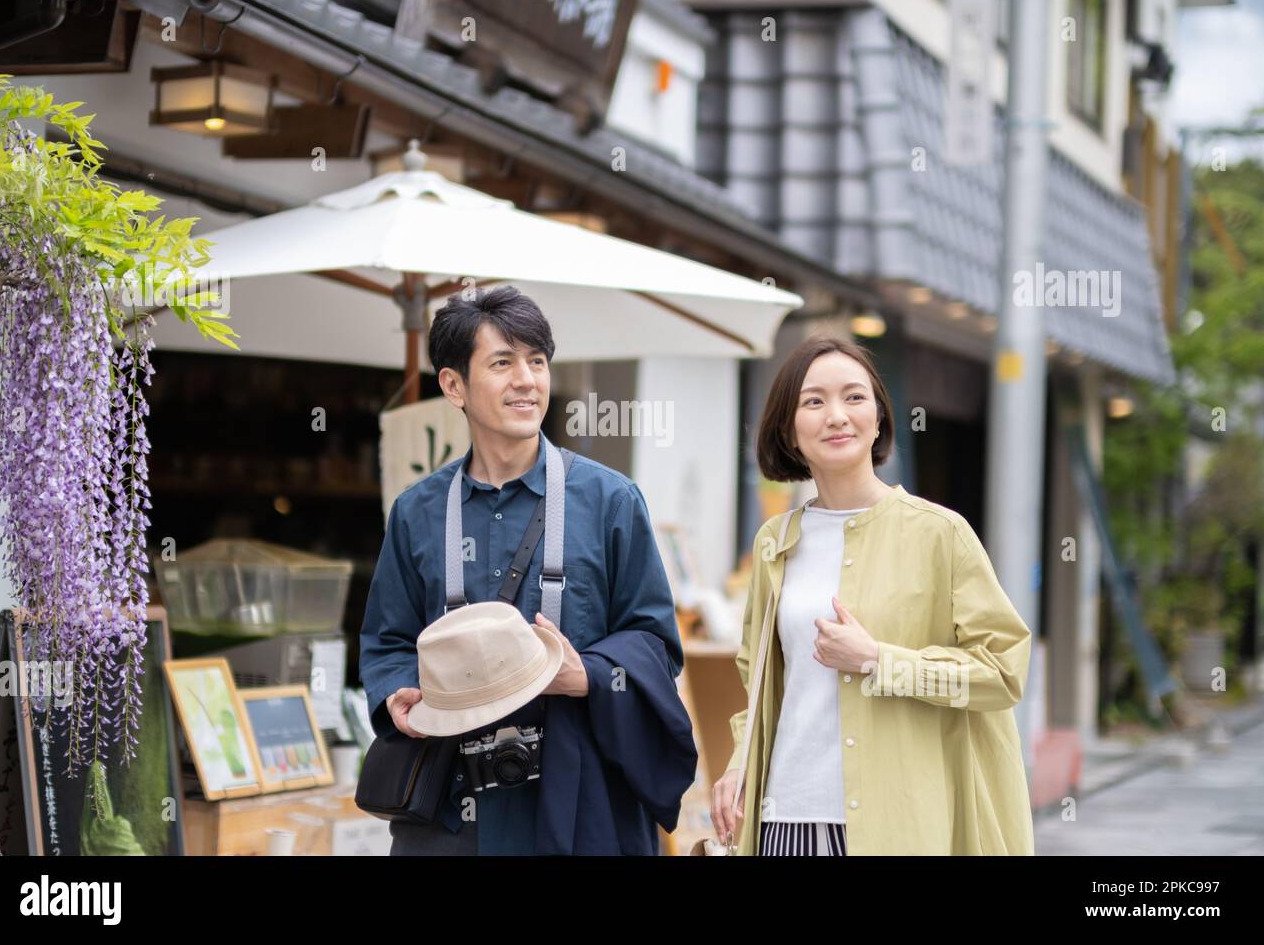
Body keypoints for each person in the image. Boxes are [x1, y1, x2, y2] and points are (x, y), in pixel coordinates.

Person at [359, 284, 696, 855]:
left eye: (537, 361)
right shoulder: (417, 512)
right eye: (502, 363)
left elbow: (657, 644)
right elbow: (387, 642)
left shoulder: (610, 501)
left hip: (578, 801)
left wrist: (585, 675)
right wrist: (396, 696)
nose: (527, 380)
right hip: (450, 813)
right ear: (453, 385)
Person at [711, 336, 1034, 855]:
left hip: (898, 823)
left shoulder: (940, 534)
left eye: (854, 397)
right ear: (790, 432)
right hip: (786, 818)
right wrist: (737, 766)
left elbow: (1003, 673)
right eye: (813, 401)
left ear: (880, 419)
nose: (836, 415)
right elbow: (762, 685)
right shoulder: (775, 541)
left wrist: (880, 660)